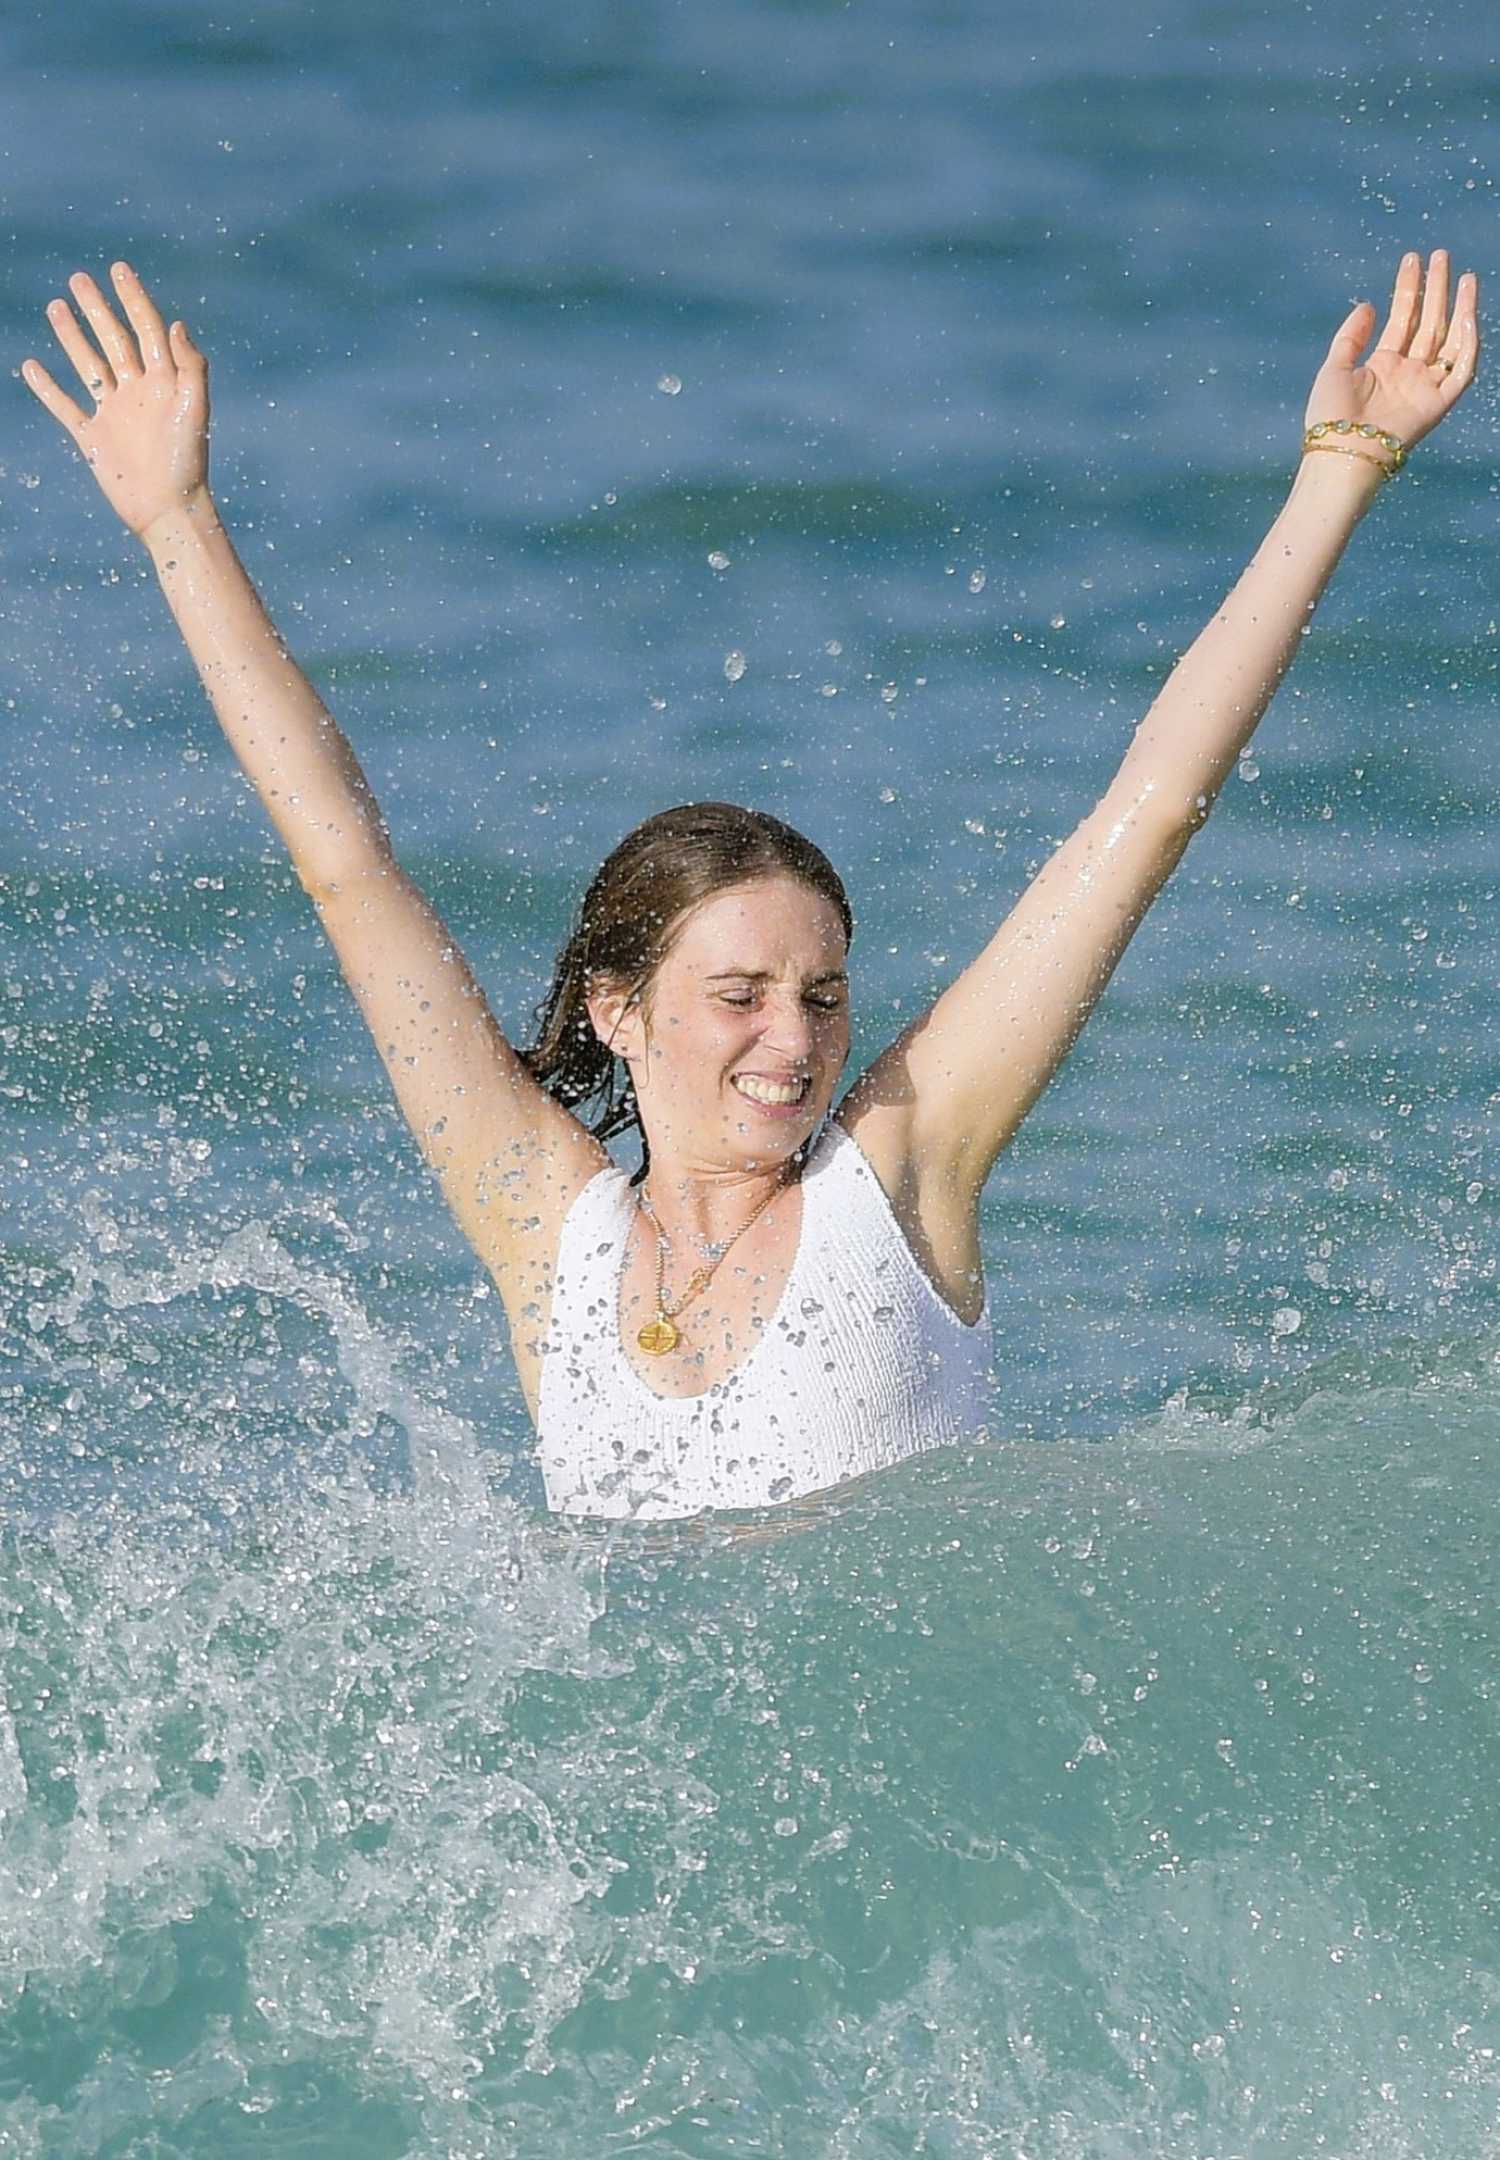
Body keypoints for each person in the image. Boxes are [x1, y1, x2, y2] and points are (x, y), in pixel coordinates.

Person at [20, 254, 1479, 1519]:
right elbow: (344, 868)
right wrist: (177, 522)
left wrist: (1342, 467)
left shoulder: (900, 1176)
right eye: (739, 996)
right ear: (618, 1010)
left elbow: (1148, 810)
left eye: (824, 995)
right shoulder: (547, 1231)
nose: (795, 1041)